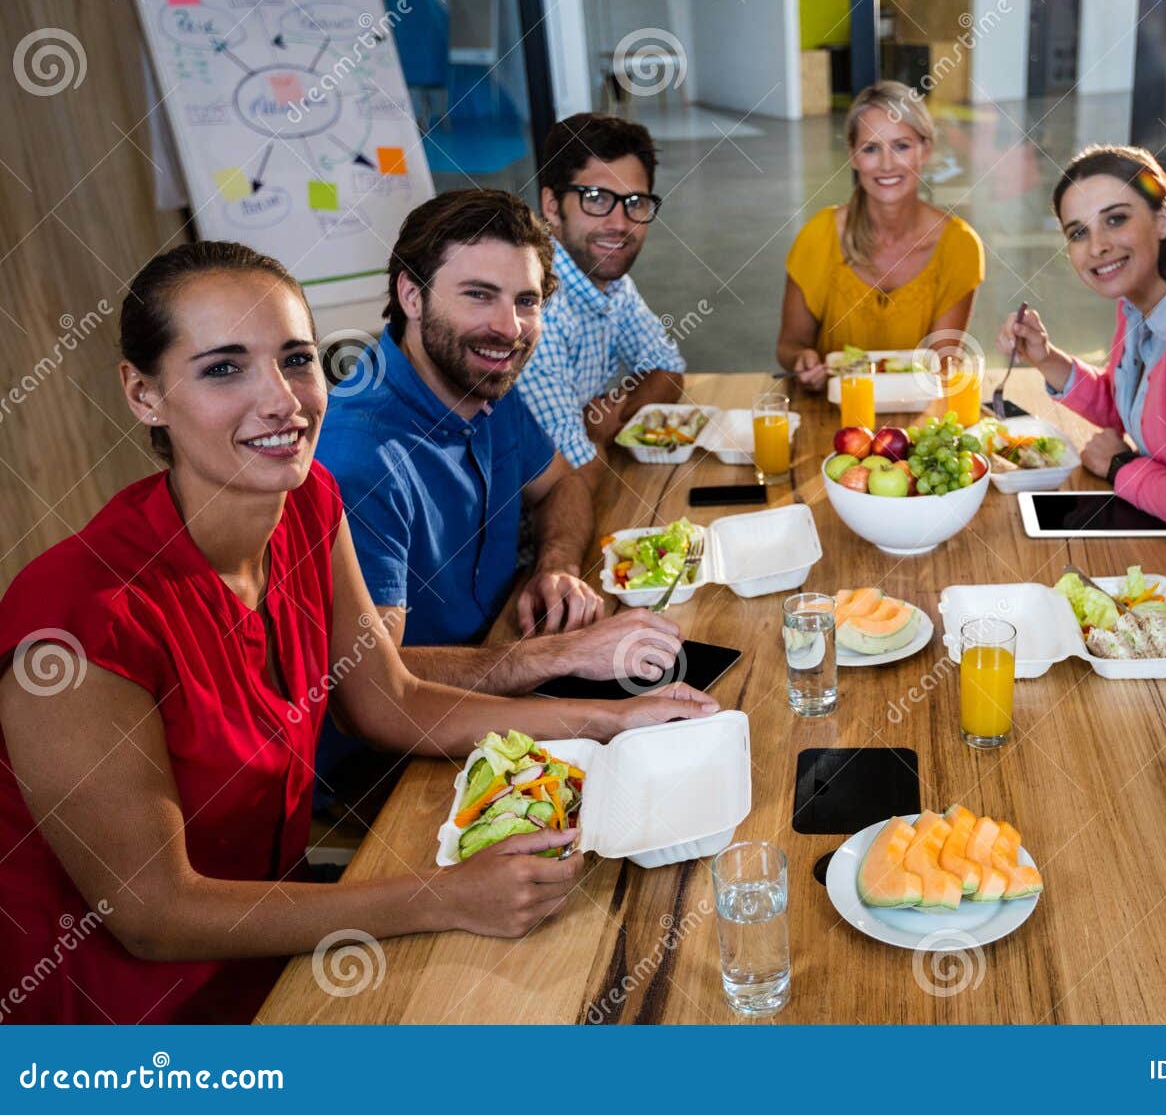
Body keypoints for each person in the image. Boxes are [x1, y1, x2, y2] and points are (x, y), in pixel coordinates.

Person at [0, 242, 717, 1022]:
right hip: (126, 1015)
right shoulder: (74, 615)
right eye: (223, 368)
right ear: (143, 394)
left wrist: (615, 720)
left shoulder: (311, 505)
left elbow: (391, 701)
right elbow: (152, 914)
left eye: (297, 359)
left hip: (291, 942)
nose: (282, 400)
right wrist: (444, 897)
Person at [316, 190, 694, 811]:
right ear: (412, 296)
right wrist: (560, 655)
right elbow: (373, 693)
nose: (509, 327)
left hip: (506, 671)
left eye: (526, 301)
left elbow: (563, 485)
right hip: (394, 764)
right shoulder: (361, 459)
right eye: (477, 295)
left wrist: (556, 568)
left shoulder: (481, 383)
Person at [996, 145, 1166, 529]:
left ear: (1162, 220)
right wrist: (1045, 357)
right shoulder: (1138, 305)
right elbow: (1131, 407)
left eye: (1116, 219)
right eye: (1078, 232)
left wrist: (1120, 465)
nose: (1097, 246)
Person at [513, 113, 685, 485]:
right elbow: (573, 474)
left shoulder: (609, 281)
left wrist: (617, 411)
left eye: (635, 202)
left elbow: (668, 367)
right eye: (596, 199)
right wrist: (593, 434)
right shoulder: (537, 309)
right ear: (552, 206)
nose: (620, 223)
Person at [778, 81, 984, 387]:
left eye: (901, 146)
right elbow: (788, 346)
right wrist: (802, 361)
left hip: (916, 419)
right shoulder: (819, 236)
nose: (887, 165)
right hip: (830, 413)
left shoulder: (960, 245)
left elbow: (943, 362)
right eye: (871, 148)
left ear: (925, 150)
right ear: (852, 155)